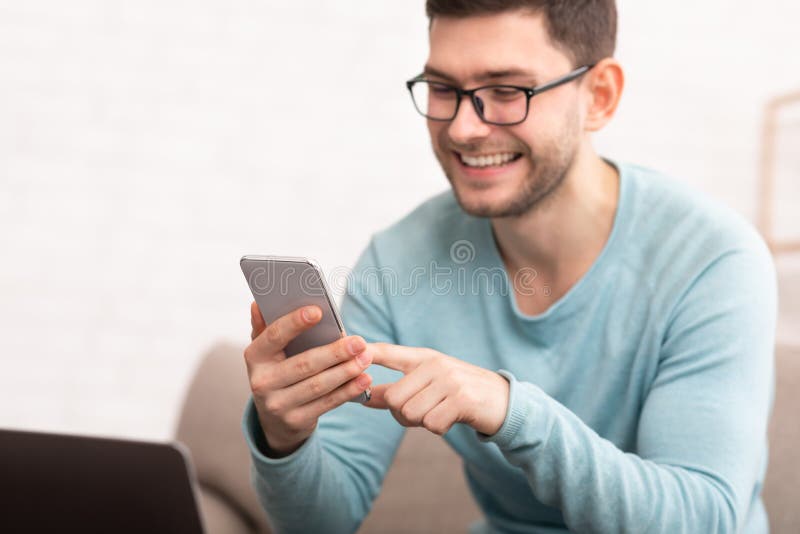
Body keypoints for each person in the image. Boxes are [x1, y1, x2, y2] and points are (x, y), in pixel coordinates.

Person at [241, 1, 776, 532]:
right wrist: (285, 437)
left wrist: (513, 411)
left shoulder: (713, 260)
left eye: (506, 92)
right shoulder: (398, 261)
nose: (463, 129)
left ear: (600, 96)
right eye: (444, 89)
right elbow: (326, 520)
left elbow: (703, 521)